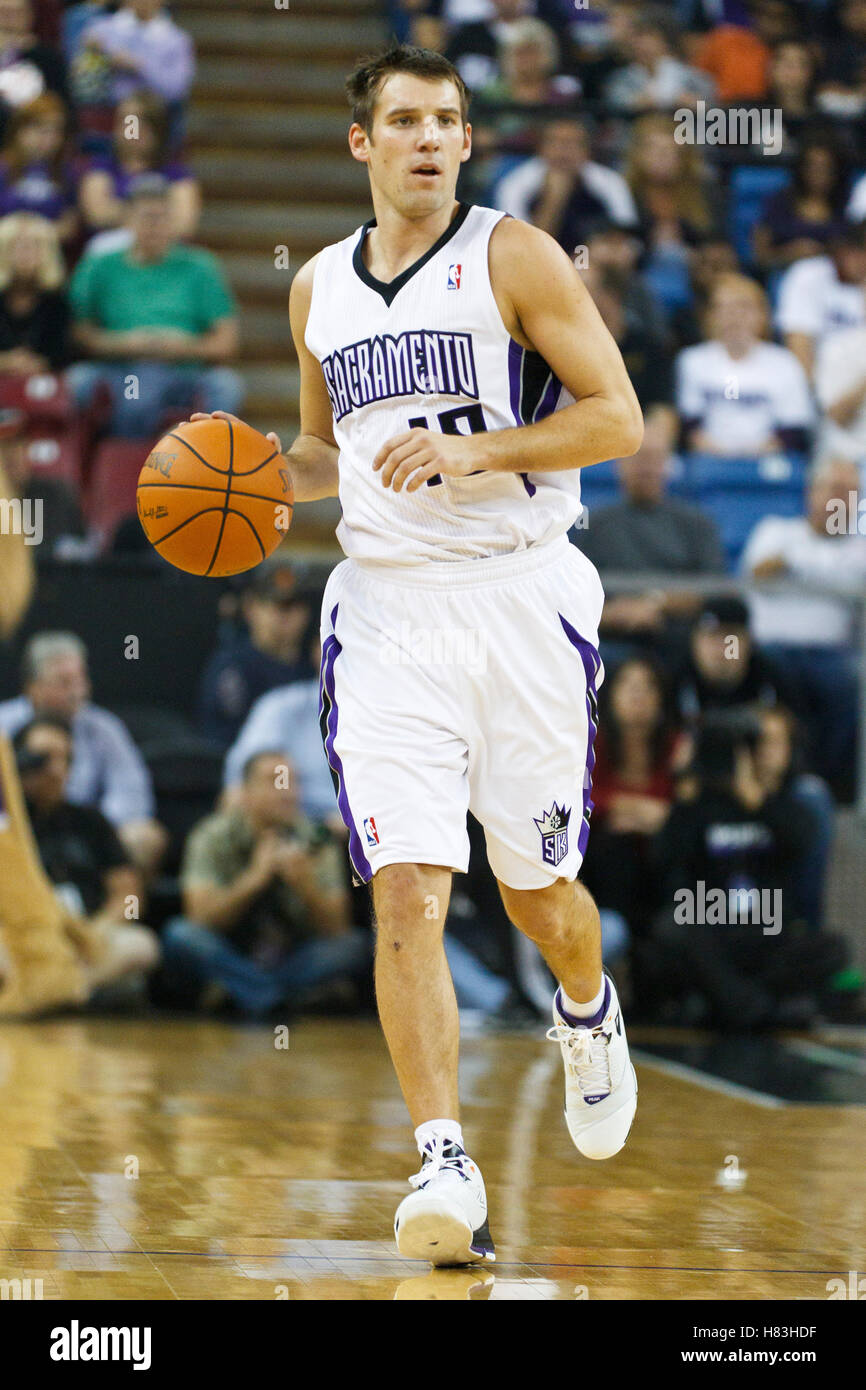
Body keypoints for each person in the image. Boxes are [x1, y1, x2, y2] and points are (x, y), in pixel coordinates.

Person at [192, 40, 644, 1268]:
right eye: (405, 120)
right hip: (386, 611)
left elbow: (617, 417)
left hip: (519, 597)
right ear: (363, 143)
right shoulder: (316, 291)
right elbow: (322, 450)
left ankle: (586, 1006)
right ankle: (443, 1157)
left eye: (446, 119)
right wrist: (233, 476)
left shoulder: (515, 255)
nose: (431, 138)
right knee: (406, 891)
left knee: (537, 896)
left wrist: (480, 452)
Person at [646, 709, 851, 1030]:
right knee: (672, 930)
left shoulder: (792, 802)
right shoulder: (706, 802)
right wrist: (684, 794)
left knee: (833, 949)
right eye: (757, 742)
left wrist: (755, 798)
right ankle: (760, 1009)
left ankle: (727, 1004)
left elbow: (802, 841)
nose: (763, 752)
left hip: (766, 931)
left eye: (773, 743)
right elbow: (664, 858)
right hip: (712, 928)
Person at [162, 750, 371, 1019]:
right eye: (275, 781)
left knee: (354, 946)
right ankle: (273, 997)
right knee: (181, 935)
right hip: (230, 950)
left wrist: (305, 886)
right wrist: (254, 879)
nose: (287, 792)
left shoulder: (317, 840)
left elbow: (337, 929)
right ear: (246, 792)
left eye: (294, 782)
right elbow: (199, 919)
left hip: (292, 957)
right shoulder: (211, 836)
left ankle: (245, 993)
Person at [66, 174, 243, 438]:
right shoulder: (100, 264)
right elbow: (76, 330)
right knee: (80, 380)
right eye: (148, 217)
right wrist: (123, 344)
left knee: (228, 385)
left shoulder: (201, 266)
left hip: (184, 370)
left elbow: (226, 342)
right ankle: (119, 466)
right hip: (118, 367)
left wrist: (183, 347)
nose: (156, 226)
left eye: (164, 217)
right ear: (128, 220)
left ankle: (208, 461)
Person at [741, 457, 866, 795]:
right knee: (777, 673)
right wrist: (819, 568)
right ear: (813, 492)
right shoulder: (776, 530)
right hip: (772, 648)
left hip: (834, 655)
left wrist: (797, 564)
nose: (843, 501)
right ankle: (786, 778)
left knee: (850, 685)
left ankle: (825, 784)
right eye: (836, 491)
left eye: (852, 493)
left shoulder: (859, 549)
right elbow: (758, 572)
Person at [0, 630, 168, 874]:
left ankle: (119, 907)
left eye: (80, 680)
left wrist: (91, 827)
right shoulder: (4, 724)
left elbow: (132, 795)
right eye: (64, 682)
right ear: (33, 687)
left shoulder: (105, 728)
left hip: (84, 834)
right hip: (18, 829)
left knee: (146, 837)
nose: (77, 692)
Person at [572, 411, 725, 666]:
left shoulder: (697, 523)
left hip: (678, 641)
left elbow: (715, 589)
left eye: (654, 458)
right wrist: (610, 615)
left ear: (668, 464)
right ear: (618, 464)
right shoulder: (591, 524)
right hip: (606, 640)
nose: (646, 467)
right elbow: (570, 591)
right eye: (637, 457)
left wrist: (657, 604)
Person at [677, 273, 813, 458]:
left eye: (743, 308)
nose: (734, 316)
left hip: (767, 464)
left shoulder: (785, 364)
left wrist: (752, 457)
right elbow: (690, 426)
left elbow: (792, 429)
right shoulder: (692, 361)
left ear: (762, 314)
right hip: (709, 462)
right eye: (725, 308)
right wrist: (721, 455)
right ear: (711, 315)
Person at [198, 558, 317, 749]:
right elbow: (223, 744)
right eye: (276, 605)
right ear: (251, 608)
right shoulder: (234, 667)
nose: (285, 615)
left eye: (295, 605)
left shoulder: (315, 666)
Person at [493, 118, 638, 251]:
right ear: (541, 147)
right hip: (538, 263)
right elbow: (520, 244)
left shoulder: (610, 182)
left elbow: (627, 234)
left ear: (587, 149)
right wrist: (554, 200)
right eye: (555, 142)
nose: (563, 151)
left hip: (593, 263)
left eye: (572, 143)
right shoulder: (515, 184)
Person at [78, 89, 200, 241]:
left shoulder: (176, 173)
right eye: (128, 122)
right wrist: (156, 216)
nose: (134, 131)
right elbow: (97, 214)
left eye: (142, 124)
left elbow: (184, 224)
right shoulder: (100, 168)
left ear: (157, 129)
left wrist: (124, 212)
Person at [775, 223, 866, 380]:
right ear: (841, 251)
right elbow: (799, 344)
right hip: (824, 383)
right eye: (854, 253)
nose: (858, 261)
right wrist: (813, 398)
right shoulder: (808, 275)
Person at [753, 133, 851, 274]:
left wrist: (825, 253)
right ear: (801, 168)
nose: (818, 174)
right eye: (812, 167)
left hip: (833, 279)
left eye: (826, 168)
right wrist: (787, 254)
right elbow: (759, 256)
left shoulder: (847, 206)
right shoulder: (778, 202)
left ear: (836, 171)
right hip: (784, 275)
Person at [0, 92, 77, 243]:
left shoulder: (65, 172)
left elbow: (70, 226)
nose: (49, 139)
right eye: (42, 130)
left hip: (49, 253)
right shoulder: (3, 168)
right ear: (20, 130)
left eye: (56, 131)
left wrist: (35, 237)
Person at [0, 210, 71, 373]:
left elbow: (64, 352)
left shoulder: (57, 299)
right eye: (16, 245)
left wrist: (40, 363)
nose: (25, 253)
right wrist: (6, 362)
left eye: (34, 245)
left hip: (44, 383)